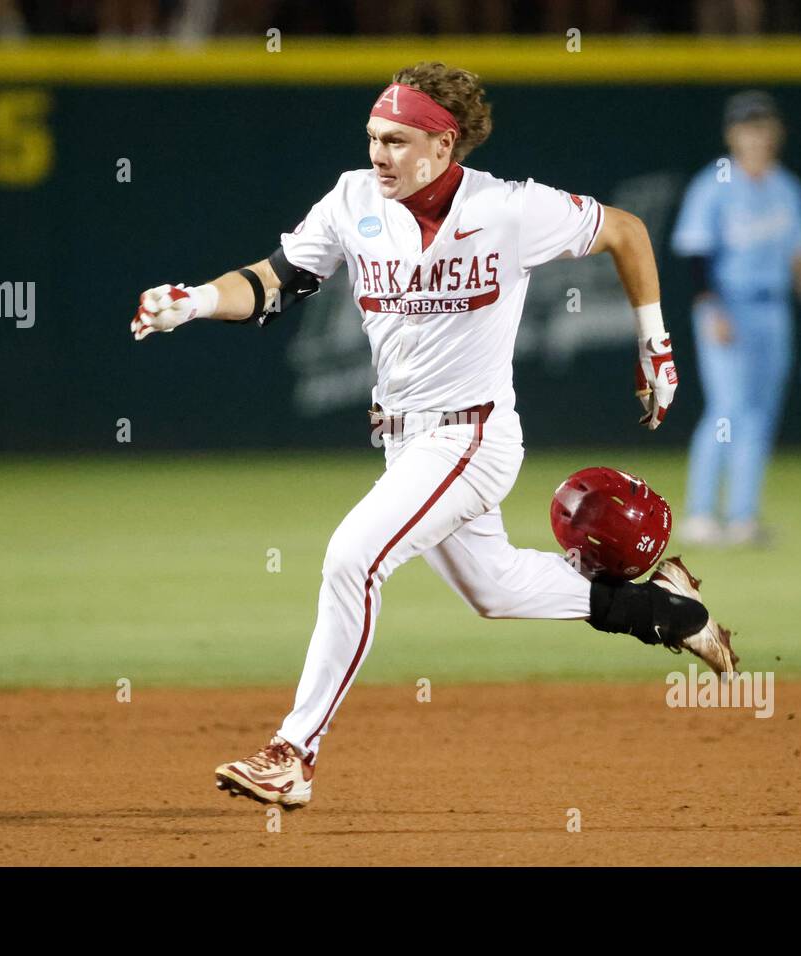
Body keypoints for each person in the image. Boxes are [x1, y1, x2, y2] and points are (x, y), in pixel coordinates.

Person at [130, 62, 736, 809]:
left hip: (472, 438)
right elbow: (275, 279)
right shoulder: (353, 200)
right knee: (496, 587)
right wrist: (193, 302)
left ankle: (294, 753)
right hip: (404, 440)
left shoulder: (510, 210)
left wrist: (656, 343)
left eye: (397, 140)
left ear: (444, 147)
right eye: (373, 137)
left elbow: (627, 230)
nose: (379, 153)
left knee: (352, 559)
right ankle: (669, 612)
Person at [670, 90, 801, 547]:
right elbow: (695, 253)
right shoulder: (714, 183)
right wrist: (708, 307)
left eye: (763, 127)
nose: (756, 136)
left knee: (761, 415)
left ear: (776, 133)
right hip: (727, 307)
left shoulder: (786, 187)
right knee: (727, 409)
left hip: (773, 310)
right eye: (747, 128)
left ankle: (743, 517)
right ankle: (701, 513)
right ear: (732, 135)